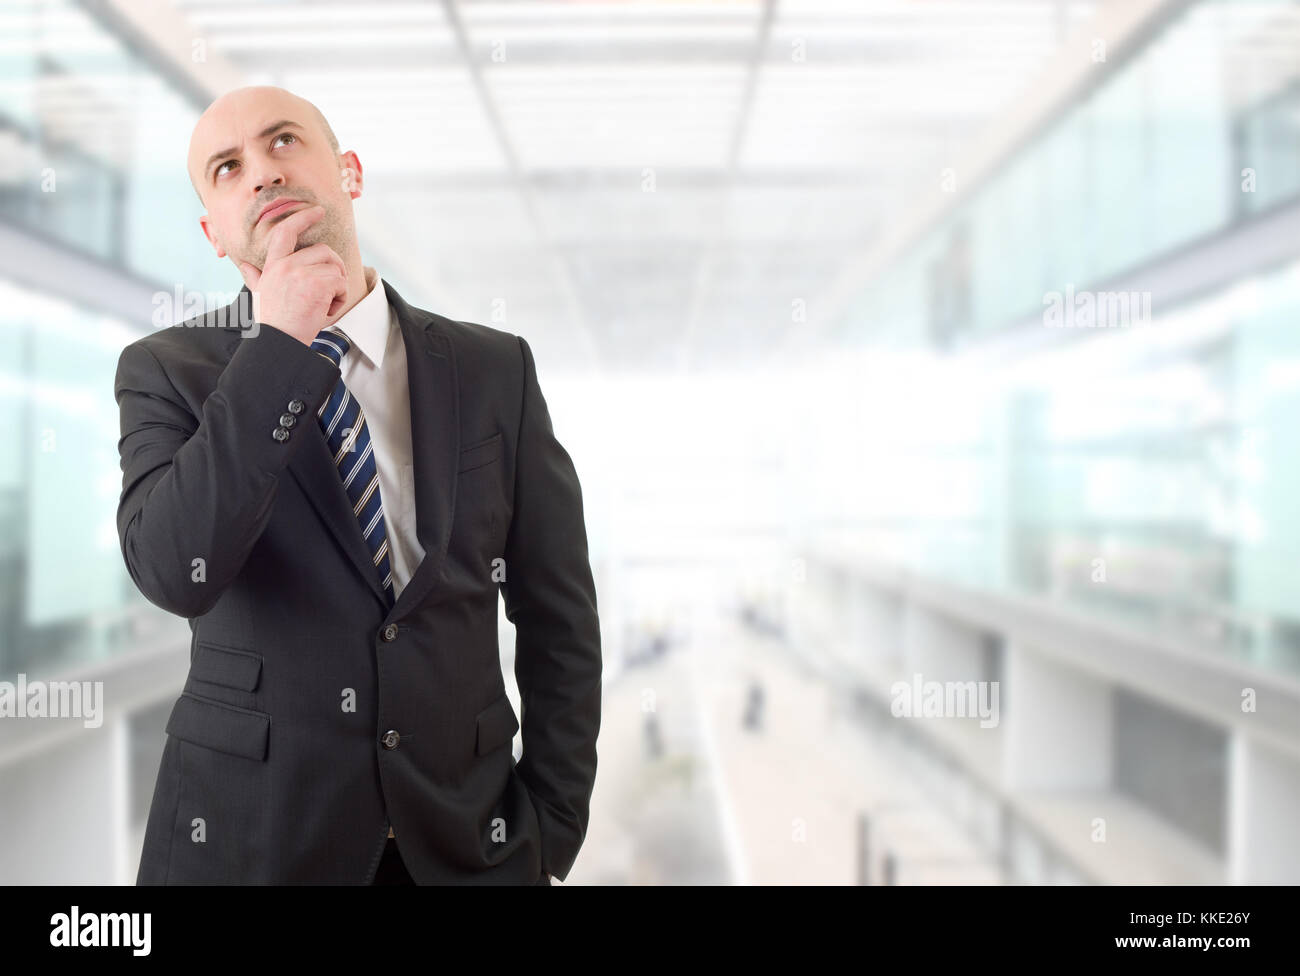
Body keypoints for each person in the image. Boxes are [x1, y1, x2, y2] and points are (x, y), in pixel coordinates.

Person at [114, 86, 600, 884]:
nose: (262, 174)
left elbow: (560, 618)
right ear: (212, 231)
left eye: (283, 143)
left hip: (468, 842)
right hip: (250, 846)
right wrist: (277, 344)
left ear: (349, 173)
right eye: (228, 167)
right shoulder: (167, 372)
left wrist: (552, 827)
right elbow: (174, 569)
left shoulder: (493, 370)